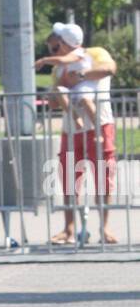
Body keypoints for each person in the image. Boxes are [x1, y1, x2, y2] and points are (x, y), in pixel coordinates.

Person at [35, 22, 117, 244]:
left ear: (63, 43)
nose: (53, 52)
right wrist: (59, 87)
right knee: (69, 180)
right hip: (71, 130)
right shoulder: (57, 68)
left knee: (103, 177)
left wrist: (78, 76)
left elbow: (110, 68)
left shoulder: (95, 52)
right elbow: (53, 102)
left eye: (54, 48)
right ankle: (68, 230)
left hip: (100, 124)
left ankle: (105, 228)